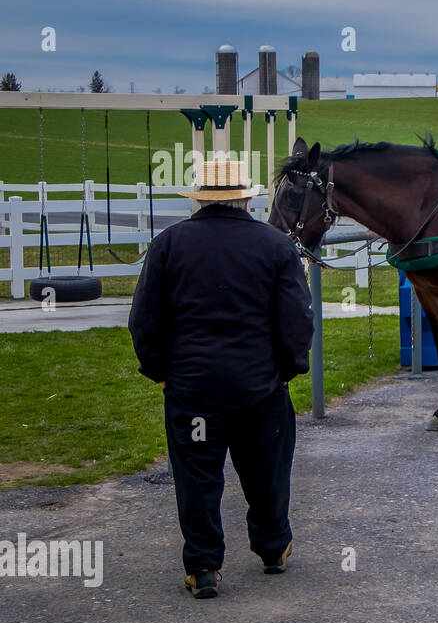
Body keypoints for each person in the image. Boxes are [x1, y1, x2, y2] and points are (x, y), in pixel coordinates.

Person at [129, 159, 313, 599]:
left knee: (197, 477)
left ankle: (204, 565)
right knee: (267, 471)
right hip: (260, 388)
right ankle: (273, 547)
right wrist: (288, 370)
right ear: (246, 198)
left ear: (200, 198)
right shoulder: (274, 245)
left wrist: (161, 373)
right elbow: (296, 321)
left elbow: (145, 321)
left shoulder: (169, 245)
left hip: (193, 390)